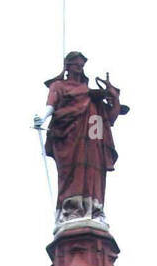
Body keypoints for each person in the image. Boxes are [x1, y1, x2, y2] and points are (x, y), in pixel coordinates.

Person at [34, 52, 128, 226]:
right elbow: (51, 104)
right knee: (71, 171)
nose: (79, 68)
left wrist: (113, 96)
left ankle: (95, 208)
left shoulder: (93, 97)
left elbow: (109, 118)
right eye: (76, 64)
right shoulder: (59, 86)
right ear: (68, 66)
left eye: (81, 65)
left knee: (94, 169)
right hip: (70, 137)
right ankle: (71, 208)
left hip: (92, 138)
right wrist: (42, 118)